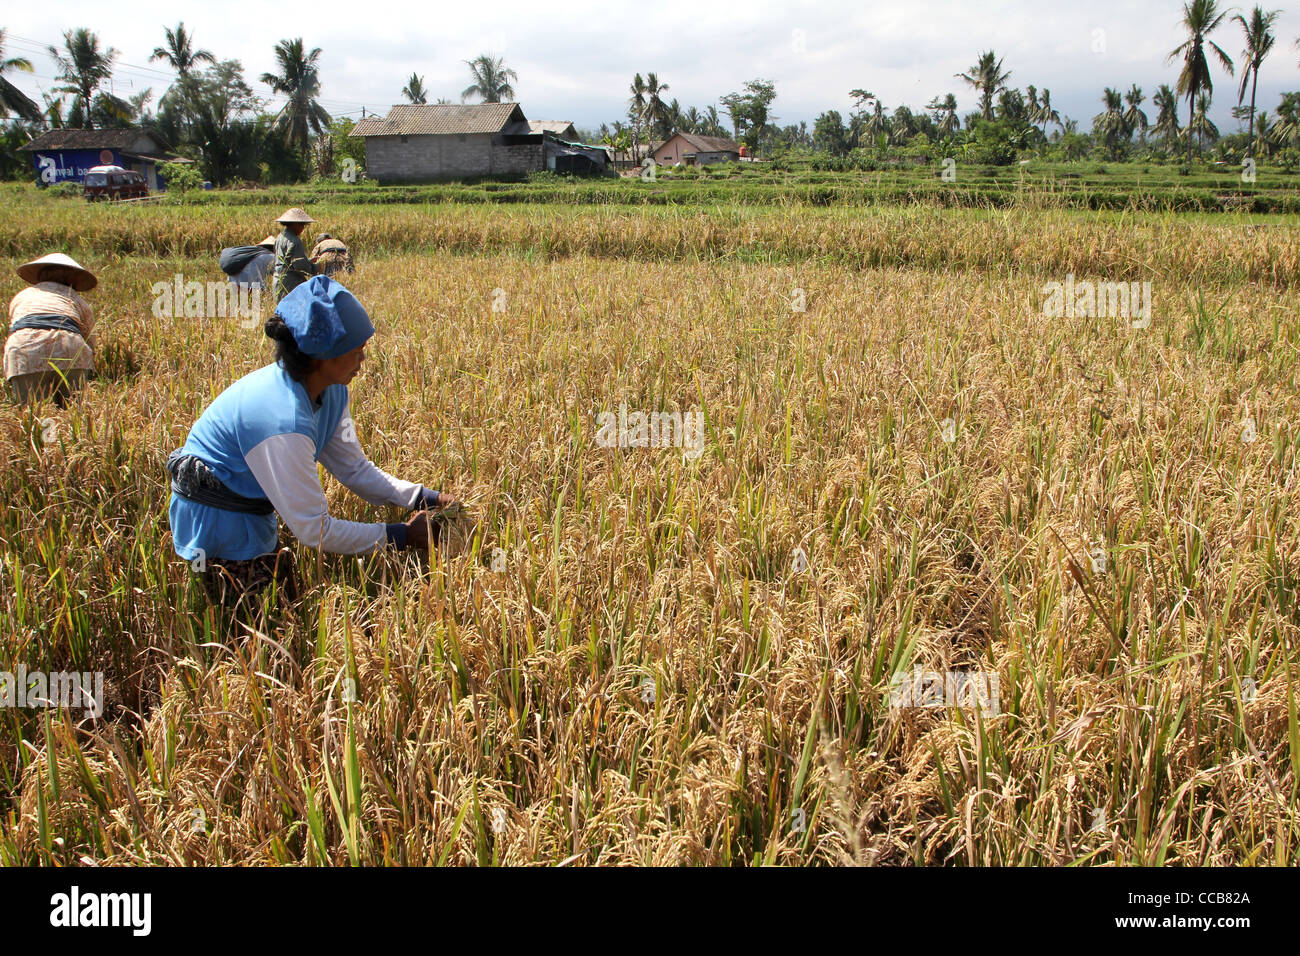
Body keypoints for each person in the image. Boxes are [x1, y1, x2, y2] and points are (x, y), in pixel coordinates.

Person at [166, 275, 456, 613]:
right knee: (252, 624)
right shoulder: (282, 419)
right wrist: (403, 536)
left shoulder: (332, 391)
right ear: (323, 355)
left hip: (253, 504)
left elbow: (356, 469)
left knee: (282, 606)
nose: (363, 358)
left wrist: (426, 498)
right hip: (219, 518)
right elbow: (314, 530)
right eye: (356, 350)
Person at [5, 253, 97, 406]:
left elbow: (14, 328)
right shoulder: (76, 299)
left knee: (32, 414)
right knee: (73, 411)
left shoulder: (21, 296)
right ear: (71, 279)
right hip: (69, 347)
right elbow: (90, 340)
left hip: (24, 350)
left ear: (41, 275)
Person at [271, 207, 317, 302]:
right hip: (290, 283)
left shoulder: (280, 237)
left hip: (278, 281)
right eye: (302, 225)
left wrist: (308, 261)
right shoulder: (294, 241)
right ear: (295, 224)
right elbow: (300, 265)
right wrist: (314, 267)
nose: (303, 228)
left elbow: (286, 259)